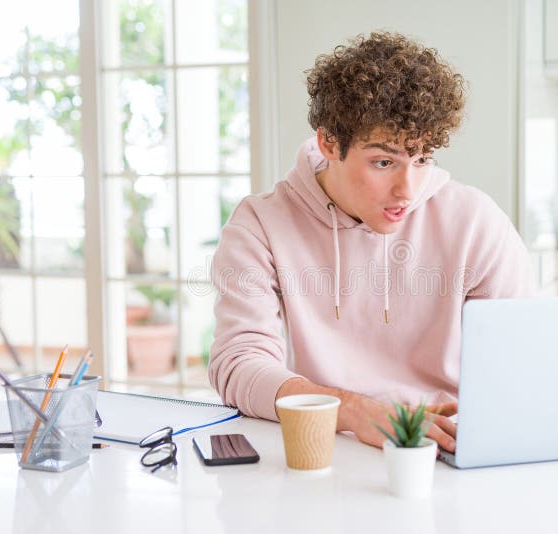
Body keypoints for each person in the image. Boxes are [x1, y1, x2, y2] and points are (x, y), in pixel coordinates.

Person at [208, 32, 534, 453]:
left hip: (446, 448)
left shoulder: (475, 221)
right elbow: (238, 365)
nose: (407, 190)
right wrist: (353, 411)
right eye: (384, 162)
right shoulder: (261, 224)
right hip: (327, 448)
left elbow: (523, 355)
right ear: (329, 143)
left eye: (421, 160)